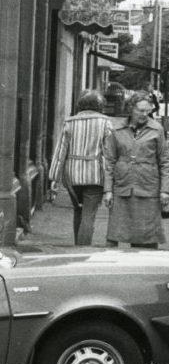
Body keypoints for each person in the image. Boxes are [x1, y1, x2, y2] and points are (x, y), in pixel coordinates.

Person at [102, 93, 169, 249]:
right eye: (140, 110)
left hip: (147, 188)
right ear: (130, 109)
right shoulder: (117, 129)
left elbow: (165, 161)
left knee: (146, 238)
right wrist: (107, 190)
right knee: (115, 235)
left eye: (147, 111)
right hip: (122, 188)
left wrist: (165, 190)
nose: (144, 114)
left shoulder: (157, 129)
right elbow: (109, 161)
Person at [48, 89, 113, 246]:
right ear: (100, 105)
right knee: (89, 215)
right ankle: (83, 249)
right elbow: (109, 153)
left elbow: (60, 152)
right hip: (95, 175)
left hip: (72, 176)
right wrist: (112, 182)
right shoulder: (105, 122)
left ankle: (78, 246)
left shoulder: (70, 122)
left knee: (78, 210)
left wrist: (53, 178)